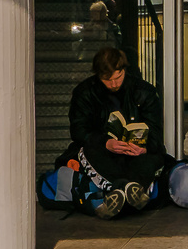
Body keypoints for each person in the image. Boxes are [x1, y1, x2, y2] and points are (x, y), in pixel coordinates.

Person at [62, 46, 167, 219]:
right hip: (104, 152)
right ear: (98, 75)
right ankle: (128, 190)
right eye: (107, 79)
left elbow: (156, 132)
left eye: (118, 77)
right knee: (88, 150)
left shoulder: (144, 91)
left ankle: (120, 192)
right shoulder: (85, 93)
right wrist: (105, 142)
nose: (114, 84)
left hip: (136, 154)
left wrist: (144, 147)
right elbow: (78, 130)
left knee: (153, 156)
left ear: (125, 70)